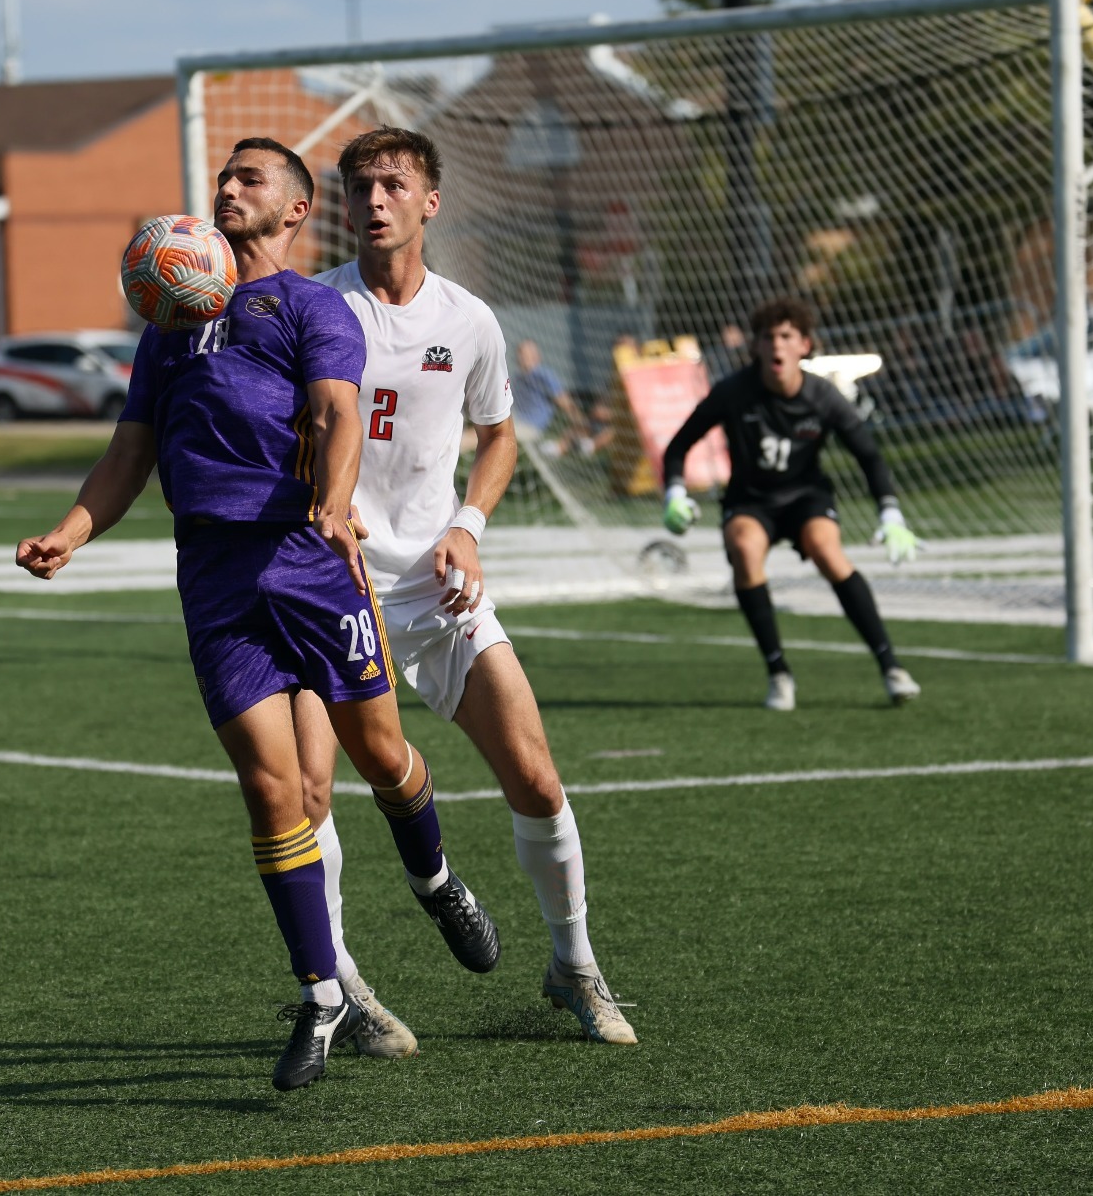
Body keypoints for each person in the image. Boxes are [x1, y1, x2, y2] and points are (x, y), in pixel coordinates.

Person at [15, 137, 500, 1092]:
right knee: (276, 794)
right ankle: (322, 994)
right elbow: (129, 455)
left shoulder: (313, 307)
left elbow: (335, 412)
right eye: (224, 178)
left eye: (250, 179)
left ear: (293, 211)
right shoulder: (167, 325)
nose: (228, 189)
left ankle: (435, 880)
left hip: (312, 564)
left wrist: (331, 498)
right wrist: (71, 531)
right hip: (216, 578)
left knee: (383, 758)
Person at [297, 126, 636, 1050]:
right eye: (361, 184)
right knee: (309, 796)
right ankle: (344, 988)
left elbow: (500, 436)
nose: (375, 199)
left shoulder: (469, 320)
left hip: (440, 590)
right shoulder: (310, 308)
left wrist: (467, 527)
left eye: (393, 184)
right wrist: (326, 512)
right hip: (333, 587)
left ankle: (574, 964)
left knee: (535, 773)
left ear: (429, 202)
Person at [662, 298, 922, 711]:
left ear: (805, 344)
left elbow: (869, 456)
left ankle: (891, 666)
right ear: (756, 347)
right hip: (750, 501)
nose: (777, 346)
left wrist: (891, 514)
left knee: (828, 552)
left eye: (786, 336)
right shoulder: (732, 391)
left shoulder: (824, 397)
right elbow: (677, 447)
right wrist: (675, 494)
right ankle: (779, 673)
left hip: (805, 496)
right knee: (745, 550)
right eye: (768, 337)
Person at [509, 339, 584, 446]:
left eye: (525, 353)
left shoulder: (543, 375)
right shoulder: (518, 377)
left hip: (530, 427)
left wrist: (581, 424)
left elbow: (565, 402)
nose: (521, 356)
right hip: (514, 420)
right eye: (520, 352)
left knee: (489, 433)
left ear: (536, 356)